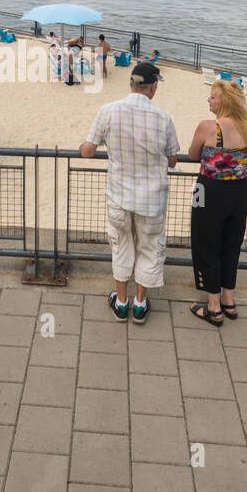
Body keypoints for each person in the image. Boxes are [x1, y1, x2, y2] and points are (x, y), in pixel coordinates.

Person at [79, 63, 180, 325]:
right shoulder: (163, 118)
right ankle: (140, 303)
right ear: (153, 87)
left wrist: (85, 146)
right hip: (151, 199)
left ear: (131, 85)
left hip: (119, 195)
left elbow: (87, 151)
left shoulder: (108, 111)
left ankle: (121, 302)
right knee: (148, 248)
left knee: (121, 245)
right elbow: (172, 160)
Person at [186, 80, 247, 326]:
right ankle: (229, 300)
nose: (209, 100)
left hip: (208, 189)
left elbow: (193, 155)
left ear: (224, 102)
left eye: (213, 97)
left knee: (205, 242)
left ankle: (214, 308)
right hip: (240, 190)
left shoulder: (208, 127)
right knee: (231, 242)